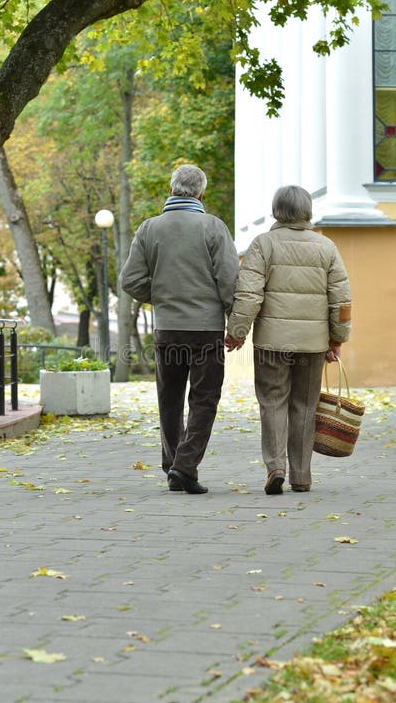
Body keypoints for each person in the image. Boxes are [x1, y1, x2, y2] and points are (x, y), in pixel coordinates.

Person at [120, 164, 239, 494]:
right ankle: (184, 467)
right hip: (206, 330)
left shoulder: (149, 228)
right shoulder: (213, 227)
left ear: (171, 190)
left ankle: (173, 465)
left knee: (169, 399)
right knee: (204, 399)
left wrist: (160, 297)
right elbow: (230, 281)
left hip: (168, 328)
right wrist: (236, 322)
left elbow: (129, 280)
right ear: (202, 194)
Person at [225, 185, 352, 496]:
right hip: (312, 343)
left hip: (271, 343)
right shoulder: (326, 248)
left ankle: (275, 467)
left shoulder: (263, 244)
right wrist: (337, 339)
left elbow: (249, 294)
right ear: (307, 211)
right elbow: (341, 301)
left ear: (276, 211)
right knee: (305, 405)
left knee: (272, 401)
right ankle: (301, 475)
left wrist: (236, 332)